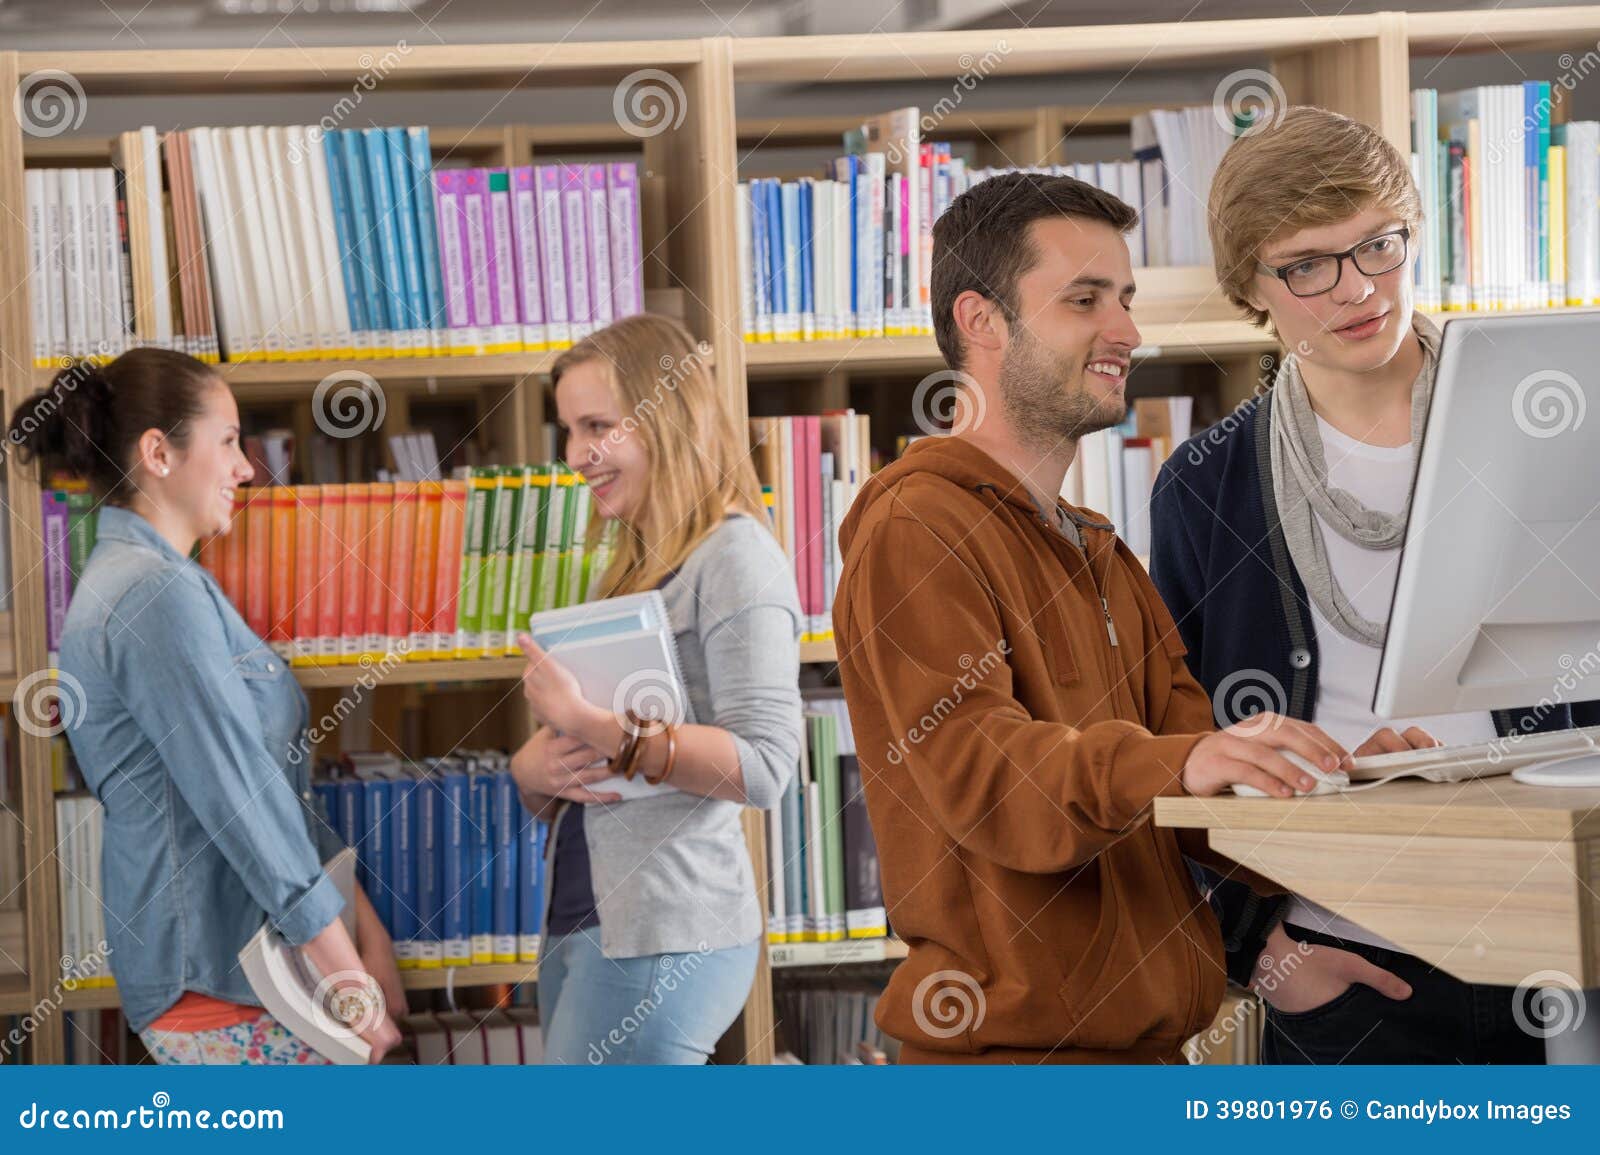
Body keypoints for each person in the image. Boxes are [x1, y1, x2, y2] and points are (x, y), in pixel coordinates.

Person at [830, 172, 1349, 1064]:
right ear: (981, 321)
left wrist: (1353, 781)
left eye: (1127, 299)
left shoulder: (1100, 551)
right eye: (1084, 300)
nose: (1128, 333)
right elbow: (987, 772)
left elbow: (1196, 786)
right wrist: (1186, 758)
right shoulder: (916, 527)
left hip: (1142, 1058)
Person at [1151, 105, 1600, 1064]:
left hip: (1563, 933)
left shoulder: (1549, 413)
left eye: (1379, 246)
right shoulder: (1206, 484)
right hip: (1350, 953)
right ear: (1251, 284)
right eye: (1308, 265)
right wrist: (1260, 949)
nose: (1359, 290)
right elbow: (1178, 736)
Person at [15, 348, 403, 1065]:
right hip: (221, 982)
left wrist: (363, 927)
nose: (246, 467)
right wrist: (350, 981)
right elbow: (243, 799)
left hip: (248, 972)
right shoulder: (153, 596)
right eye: (227, 441)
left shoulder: (167, 581)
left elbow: (269, 781)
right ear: (158, 452)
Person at [508, 313, 804, 1065]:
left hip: (668, 927)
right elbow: (593, 757)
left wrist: (592, 721)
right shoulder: (633, 563)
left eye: (597, 425)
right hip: (584, 918)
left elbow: (767, 765)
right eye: (569, 430)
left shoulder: (736, 558)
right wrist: (533, 768)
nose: (577, 455)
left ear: (665, 417)